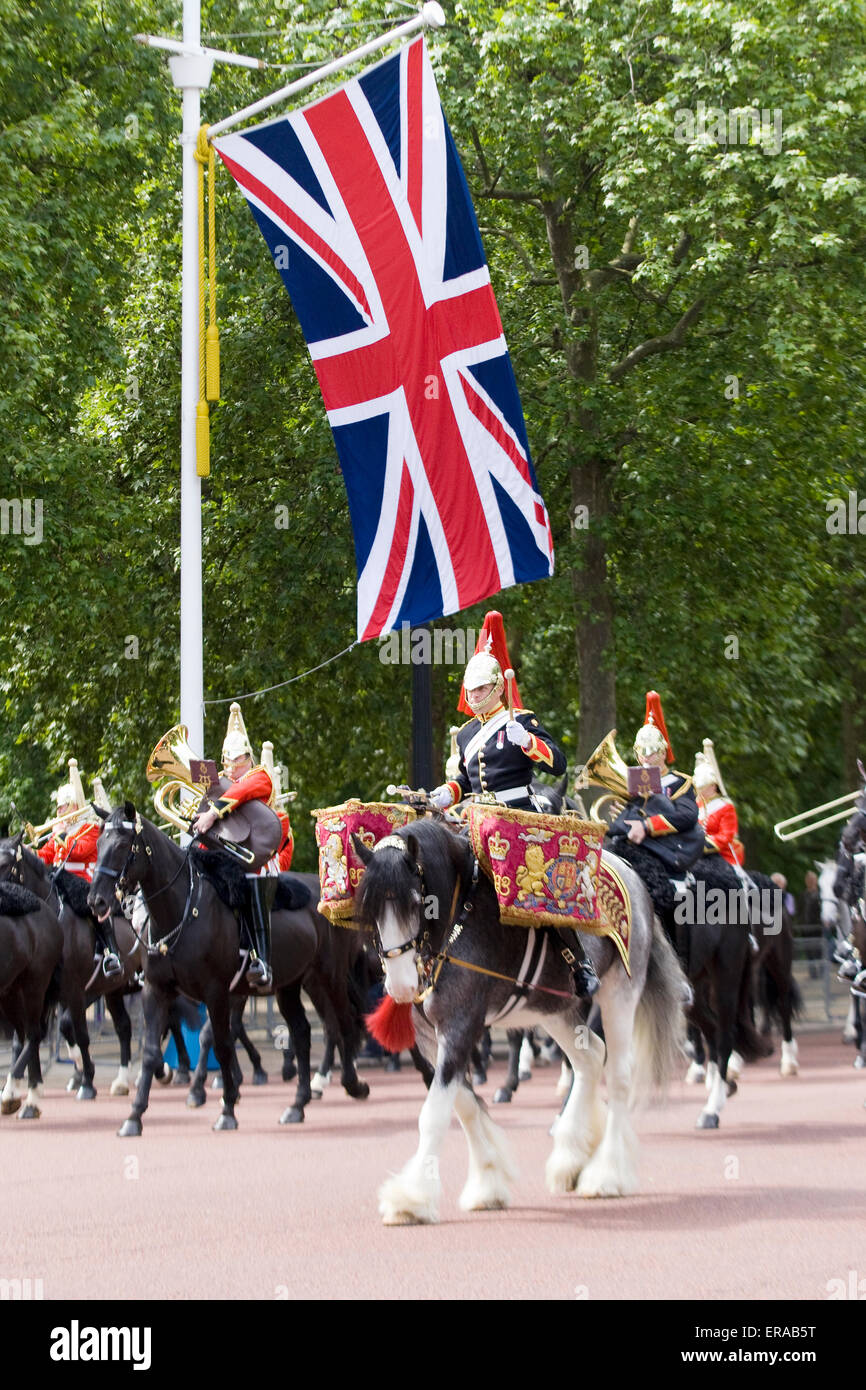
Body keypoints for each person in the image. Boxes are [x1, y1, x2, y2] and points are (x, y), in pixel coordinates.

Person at [429, 612, 598, 996]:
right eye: (470, 693)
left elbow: (557, 762)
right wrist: (446, 793)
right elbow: (464, 782)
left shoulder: (520, 719)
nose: (473, 699)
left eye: (481, 691)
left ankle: (579, 963)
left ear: (498, 689)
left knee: (540, 881)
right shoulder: (466, 734)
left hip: (518, 811)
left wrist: (528, 742)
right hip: (476, 816)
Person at [191, 704, 289, 989]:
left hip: (257, 862)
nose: (234, 767)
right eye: (229, 762)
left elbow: (241, 792)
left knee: (255, 897)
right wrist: (199, 819)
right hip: (225, 858)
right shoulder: (220, 784)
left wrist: (212, 812)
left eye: (239, 760)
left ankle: (263, 962)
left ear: (249, 757)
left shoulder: (260, 776)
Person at [38, 765, 122, 976]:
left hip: (83, 882)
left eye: (63, 807)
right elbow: (44, 856)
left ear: (74, 806)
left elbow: (78, 852)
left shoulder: (89, 829)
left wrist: (60, 835)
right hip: (58, 881)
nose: (59, 812)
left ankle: (111, 952)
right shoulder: (60, 832)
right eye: (57, 808)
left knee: (96, 908)